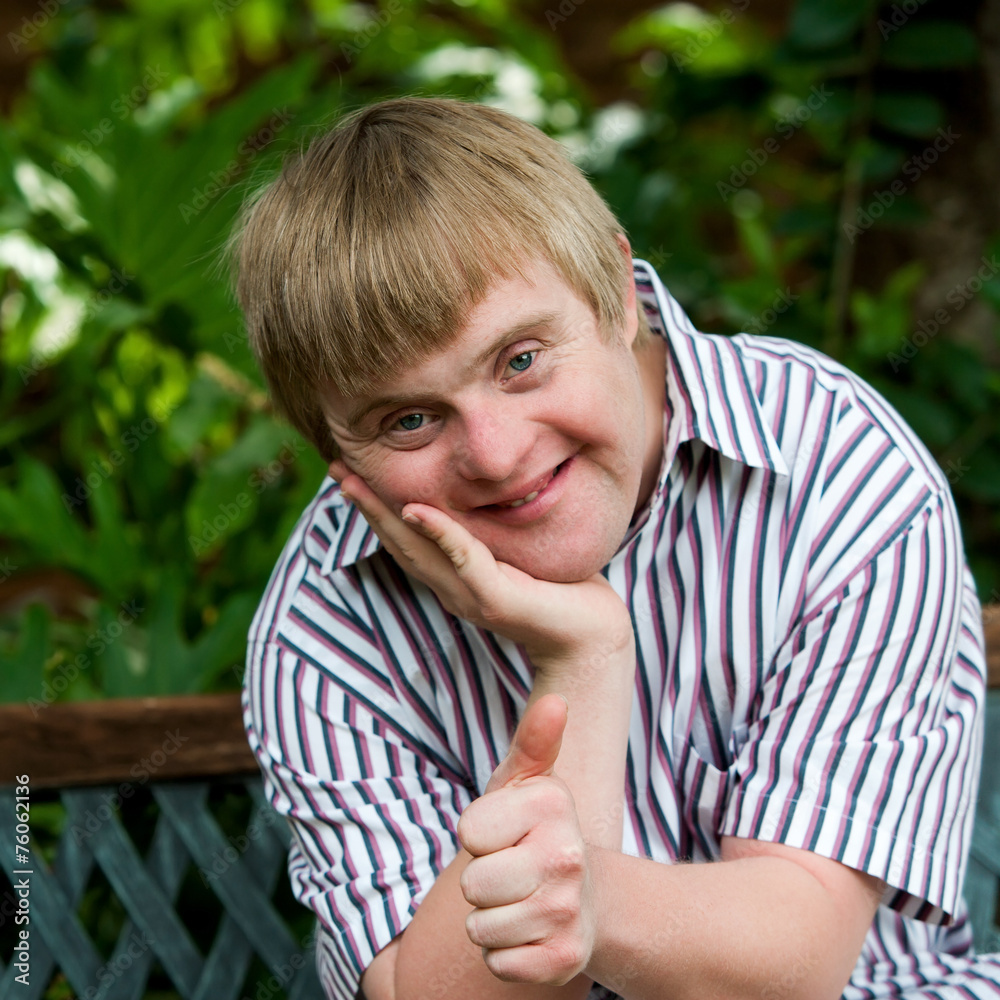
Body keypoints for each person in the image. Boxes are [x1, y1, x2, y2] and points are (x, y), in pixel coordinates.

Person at [232, 96, 999, 1000]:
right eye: (409, 419)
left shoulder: (833, 470)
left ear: (616, 295)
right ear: (343, 459)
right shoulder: (325, 627)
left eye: (518, 360)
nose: (497, 453)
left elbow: (800, 961)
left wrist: (586, 900)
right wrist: (581, 663)